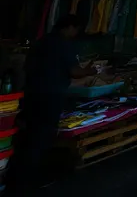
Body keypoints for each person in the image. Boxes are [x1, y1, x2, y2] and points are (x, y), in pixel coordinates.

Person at [17, 15, 98, 189]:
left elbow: (27, 67)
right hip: (50, 95)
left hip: (31, 93)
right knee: (42, 136)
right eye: (76, 29)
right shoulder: (63, 44)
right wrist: (90, 70)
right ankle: (29, 179)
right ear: (69, 27)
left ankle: (20, 173)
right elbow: (75, 72)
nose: (76, 34)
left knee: (30, 133)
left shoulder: (42, 41)